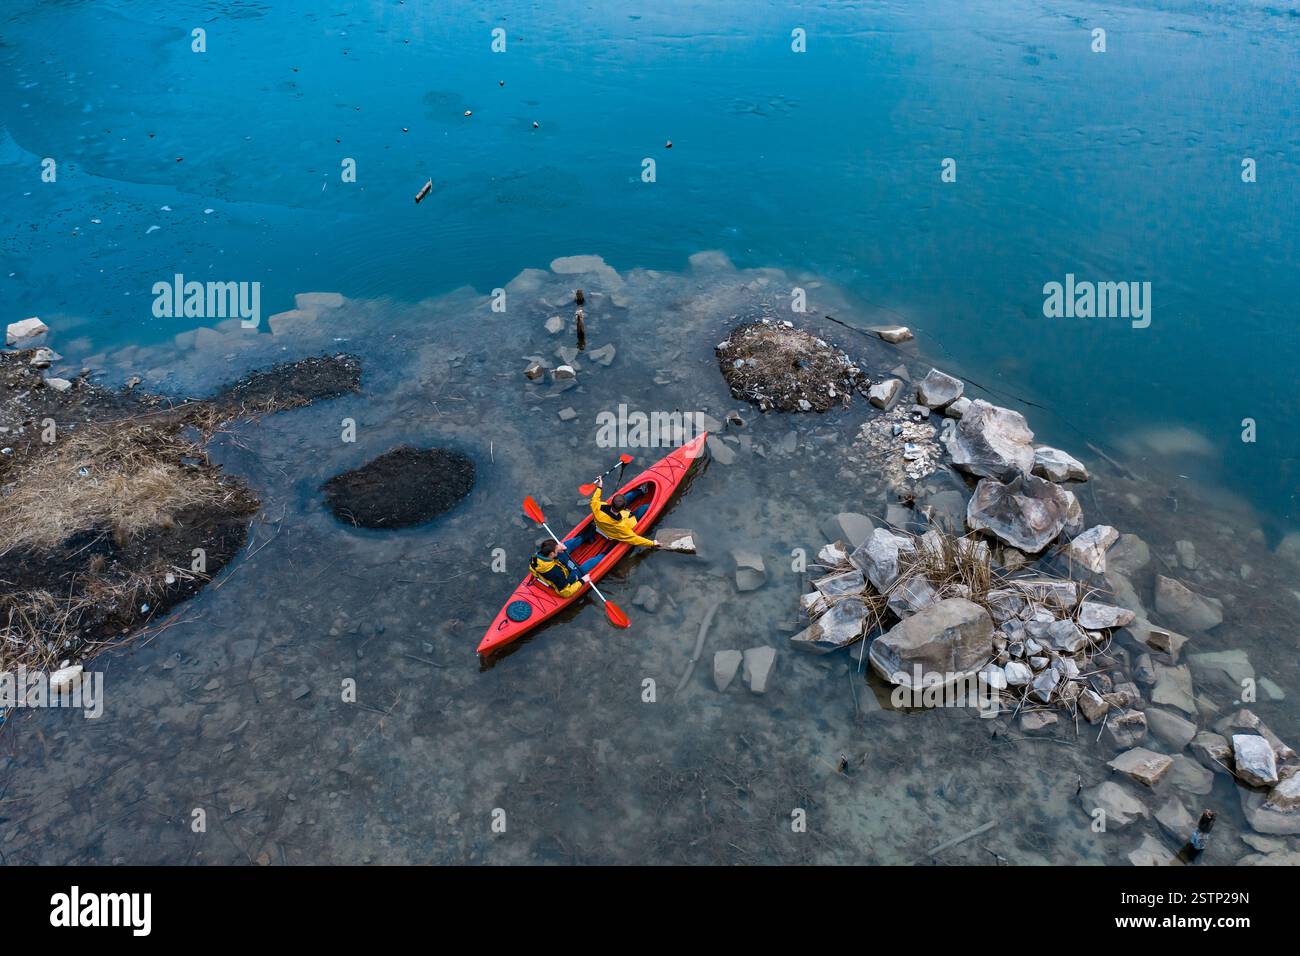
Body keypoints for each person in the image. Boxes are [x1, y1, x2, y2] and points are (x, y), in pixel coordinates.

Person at [589, 476, 658, 548]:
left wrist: (599, 487)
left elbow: (594, 499)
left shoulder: (596, 507)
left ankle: (640, 491)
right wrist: (652, 543)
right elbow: (635, 539)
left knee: (624, 498)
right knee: (644, 507)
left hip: (601, 526)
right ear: (623, 508)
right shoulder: (621, 527)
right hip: (613, 532)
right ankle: (650, 502)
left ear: (611, 503)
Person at [528, 538, 602, 597]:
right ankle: (603, 555)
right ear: (551, 554)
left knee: (564, 546)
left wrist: (559, 548)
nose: (558, 549)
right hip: (565, 580)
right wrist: (582, 581)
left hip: (554, 566)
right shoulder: (556, 573)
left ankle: (584, 536)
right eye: (556, 550)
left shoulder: (535, 557)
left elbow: (533, 570)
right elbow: (565, 593)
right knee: (581, 570)